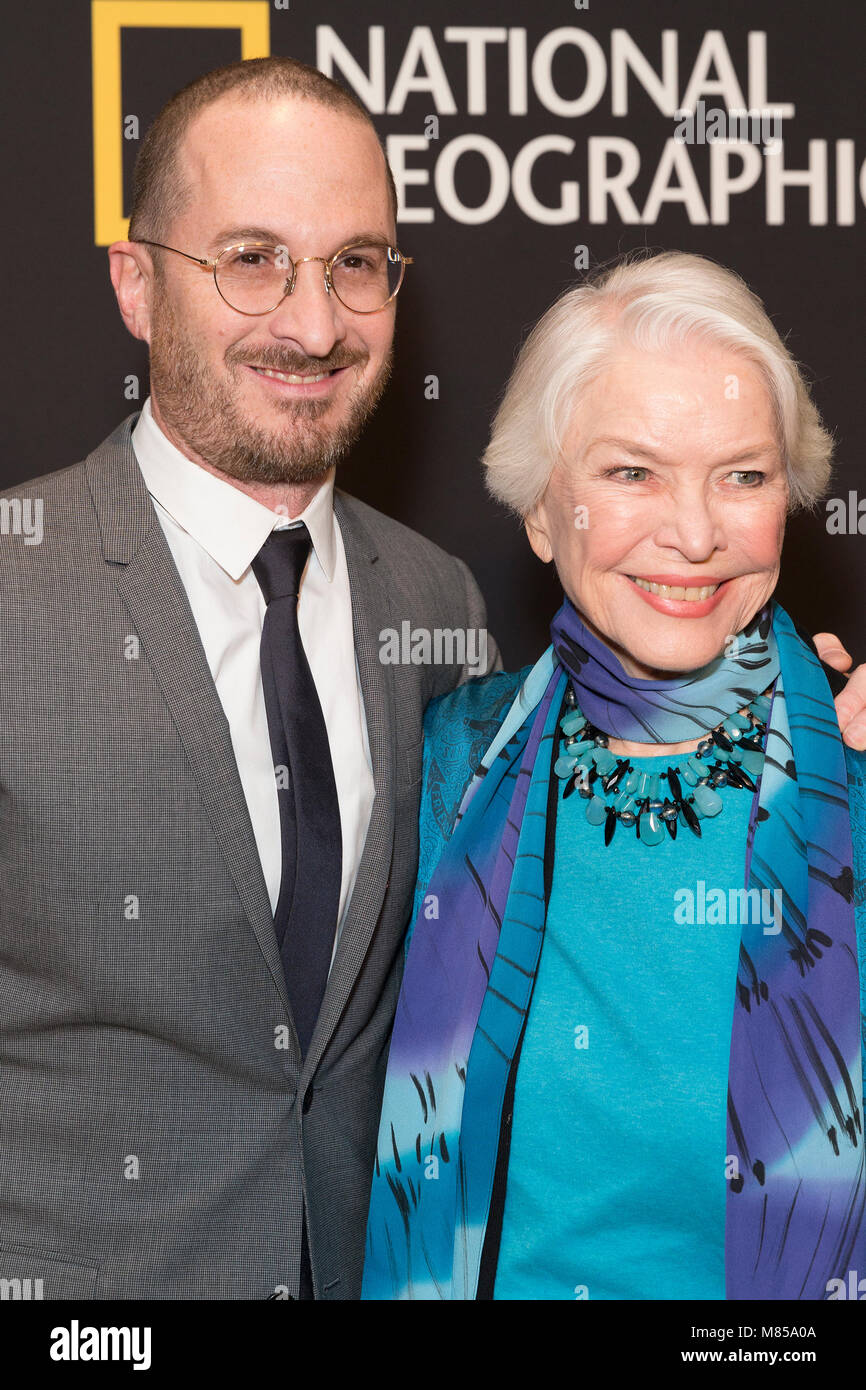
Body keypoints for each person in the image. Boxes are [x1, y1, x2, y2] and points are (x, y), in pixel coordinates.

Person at [0, 57, 499, 1301]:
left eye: (354, 264)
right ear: (134, 282)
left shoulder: (439, 606)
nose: (313, 323)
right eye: (251, 258)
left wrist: (785, 723)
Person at [363, 250, 866, 1301]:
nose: (692, 534)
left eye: (741, 475)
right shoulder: (452, 763)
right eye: (630, 472)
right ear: (541, 510)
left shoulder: (851, 782)